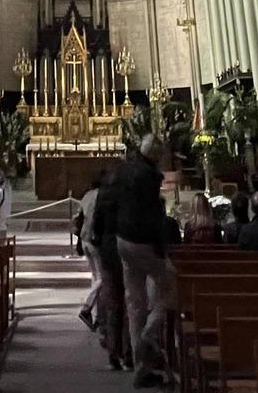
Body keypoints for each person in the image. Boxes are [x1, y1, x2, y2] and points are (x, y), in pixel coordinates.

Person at [113, 134, 177, 388]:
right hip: (142, 240)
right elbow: (152, 214)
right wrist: (161, 245)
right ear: (156, 156)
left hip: (122, 238)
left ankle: (142, 367)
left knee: (135, 302)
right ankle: (150, 334)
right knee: (171, 287)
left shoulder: (125, 168)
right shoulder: (150, 176)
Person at [88, 164, 128, 369]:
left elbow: (96, 225)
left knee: (113, 301)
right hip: (126, 247)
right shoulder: (127, 194)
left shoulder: (103, 196)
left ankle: (113, 350)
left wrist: (98, 242)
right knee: (129, 300)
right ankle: (129, 352)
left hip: (108, 250)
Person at [77, 168, 108, 330]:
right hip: (96, 239)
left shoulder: (87, 195)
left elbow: (80, 216)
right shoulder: (102, 196)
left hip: (84, 238)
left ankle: (98, 316)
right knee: (102, 278)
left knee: (95, 277)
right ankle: (87, 308)